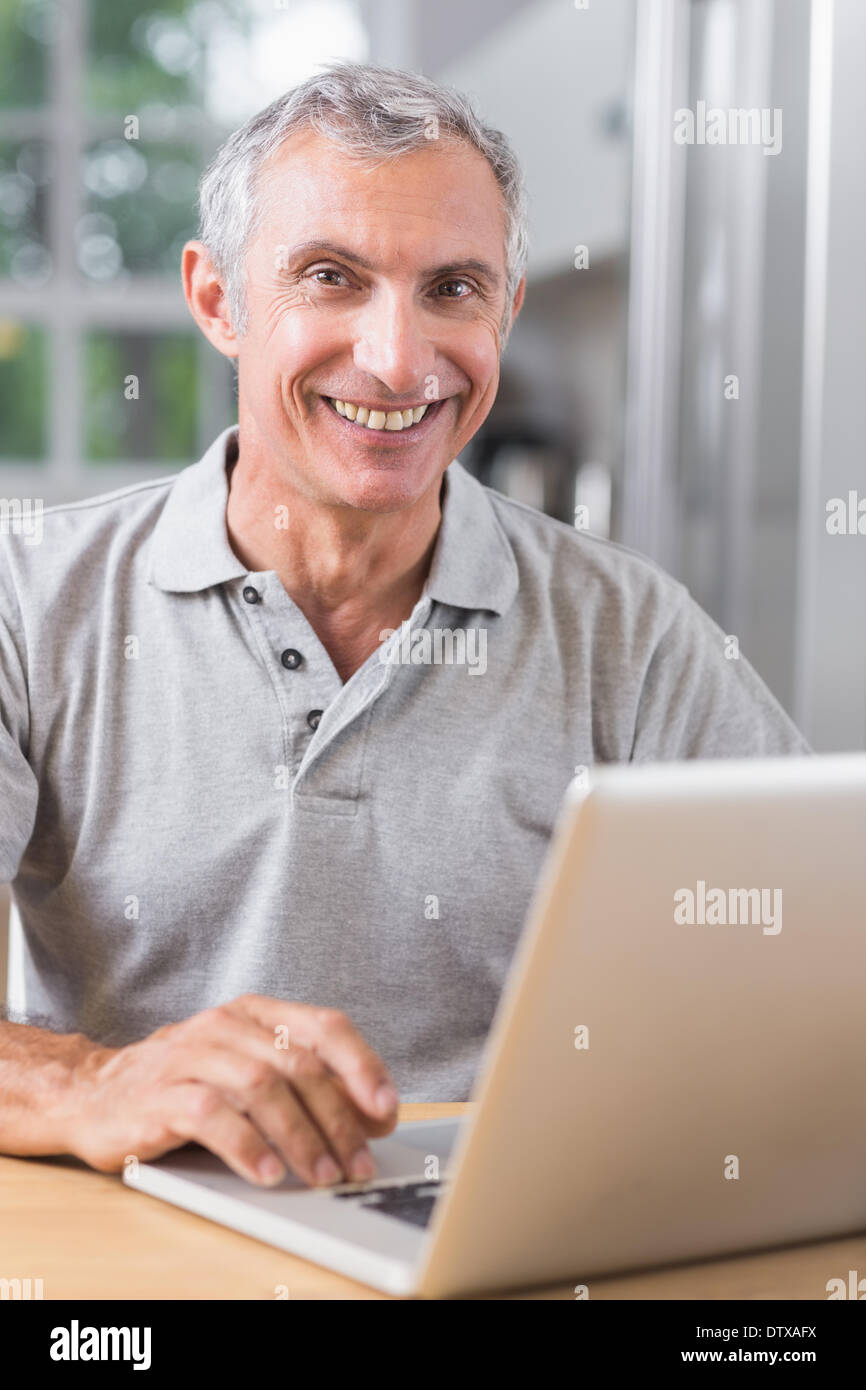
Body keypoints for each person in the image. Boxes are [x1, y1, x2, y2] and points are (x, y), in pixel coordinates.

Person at [0, 64, 809, 1190]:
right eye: (330, 277)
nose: (395, 358)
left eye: (453, 288)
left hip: (493, 1244)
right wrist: (93, 1083)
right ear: (217, 301)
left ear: (505, 311)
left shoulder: (632, 633)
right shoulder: (27, 596)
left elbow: (820, 974)